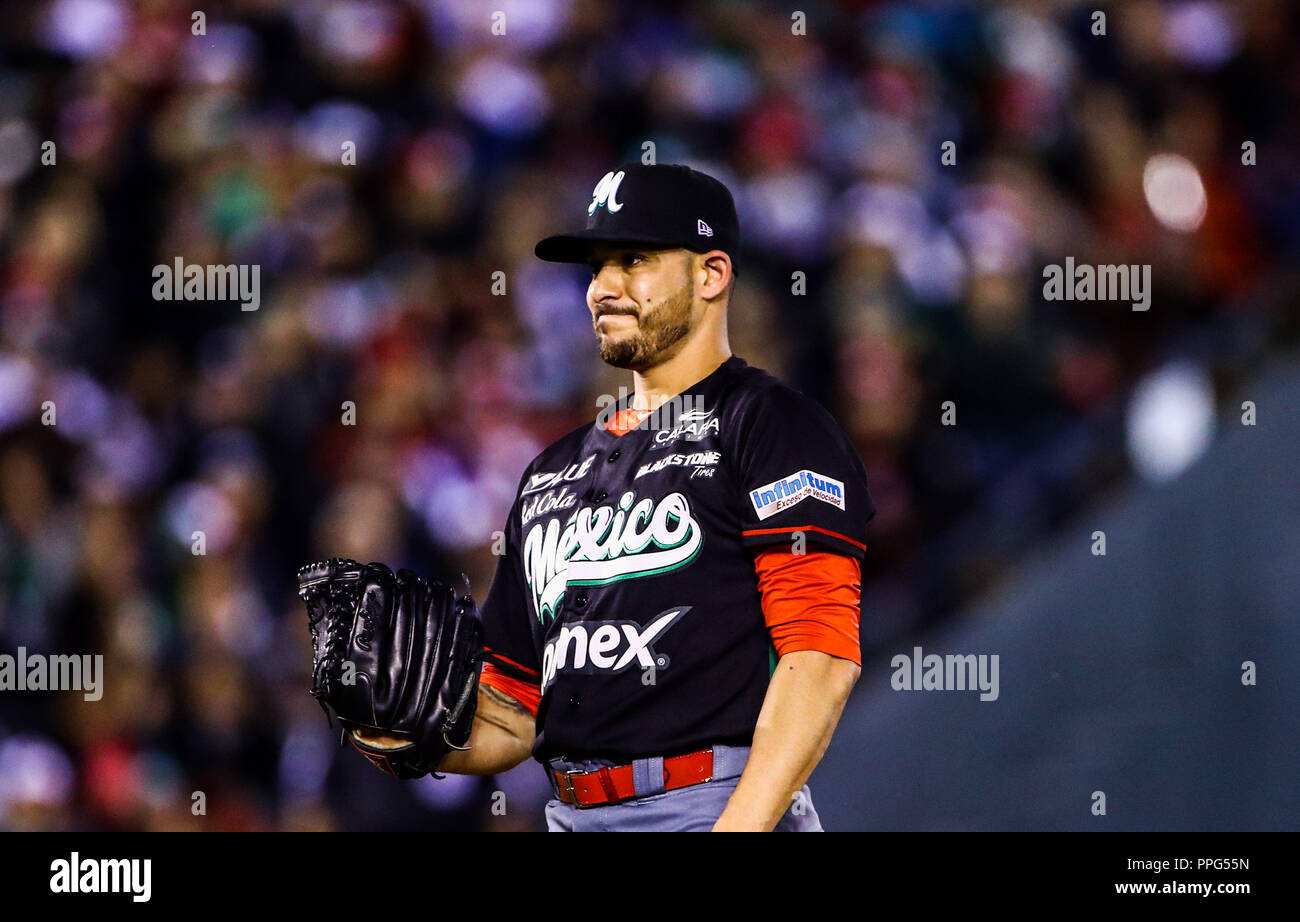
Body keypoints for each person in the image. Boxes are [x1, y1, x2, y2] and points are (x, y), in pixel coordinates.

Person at [361, 162, 875, 831]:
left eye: (633, 260)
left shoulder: (769, 426)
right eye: (596, 267)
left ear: (711, 275)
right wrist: (407, 735)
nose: (603, 288)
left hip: (712, 802)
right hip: (572, 815)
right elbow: (513, 712)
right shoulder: (549, 471)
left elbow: (820, 656)